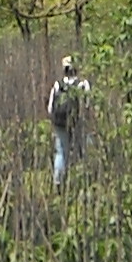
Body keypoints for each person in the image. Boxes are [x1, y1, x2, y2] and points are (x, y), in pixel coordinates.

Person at [47, 55, 94, 183]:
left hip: (60, 123)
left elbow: (50, 109)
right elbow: (87, 105)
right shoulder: (83, 84)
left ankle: (58, 182)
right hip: (77, 122)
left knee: (61, 152)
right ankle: (85, 179)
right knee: (84, 150)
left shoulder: (57, 85)